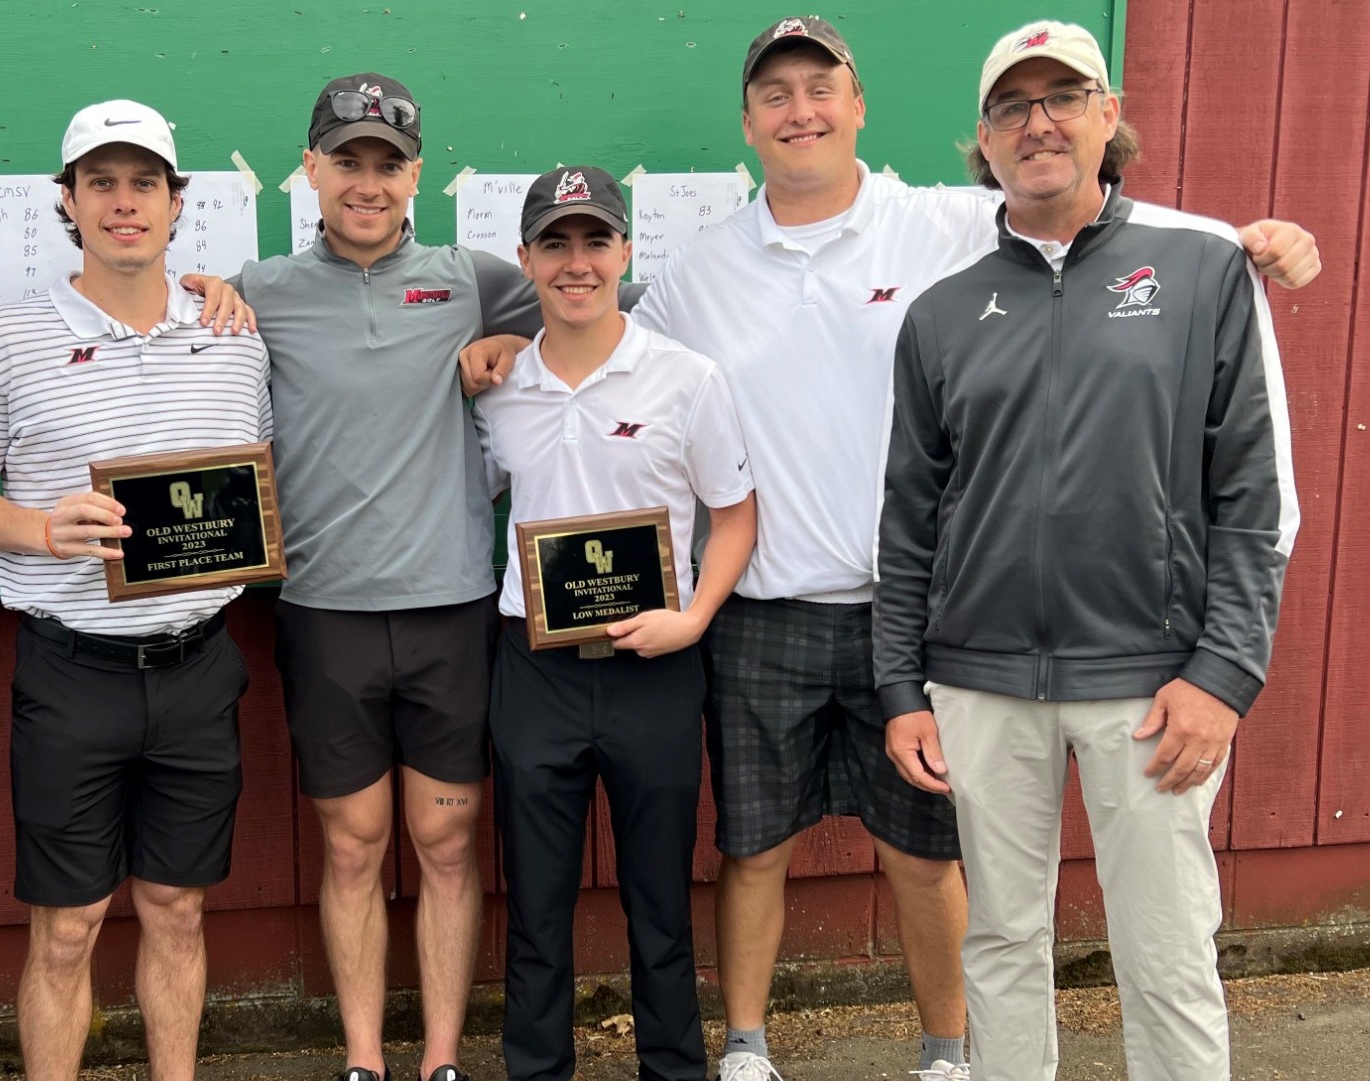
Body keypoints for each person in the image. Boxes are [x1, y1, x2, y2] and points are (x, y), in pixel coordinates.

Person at [460, 16, 1318, 1081]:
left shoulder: (942, 223)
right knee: (754, 848)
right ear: (748, 123)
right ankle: (745, 1045)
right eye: (776, 96)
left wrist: (1248, 238)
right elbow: (596, 317)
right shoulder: (701, 271)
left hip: (918, 614)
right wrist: (504, 341)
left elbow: (1086, 219)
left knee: (926, 853)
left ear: (859, 105)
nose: (801, 110)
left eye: (822, 88)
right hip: (764, 606)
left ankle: (948, 1053)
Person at [874, 21, 1296, 1081]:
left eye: (1065, 96)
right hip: (980, 684)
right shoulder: (940, 314)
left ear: (1110, 118)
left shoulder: (1204, 275)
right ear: (985, 141)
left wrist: (1224, 674)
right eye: (1014, 107)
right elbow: (910, 515)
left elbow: (1253, 495)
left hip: (1152, 687)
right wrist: (901, 687)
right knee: (1004, 944)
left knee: (1165, 954)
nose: (1040, 122)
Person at [230, 73, 558, 1081]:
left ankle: (444, 1059)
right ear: (311, 168)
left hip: (452, 609)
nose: (366, 183)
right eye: (346, 161)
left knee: (445, 844)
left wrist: (520, 333)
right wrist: (200, 292)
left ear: (416, 174)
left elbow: (596, 302)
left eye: (387, 164)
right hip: (324, 610)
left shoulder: (471, 277)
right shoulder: (261, 289)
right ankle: (365, 1061)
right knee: (353, 843)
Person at [0, 99, 269, 1081]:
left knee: (177, 907)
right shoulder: (5, 341)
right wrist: (41, 526)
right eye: (101, 184)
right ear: (69, 204)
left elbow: (258, 486)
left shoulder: (235, 335)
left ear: (178, 205)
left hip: (199, 664)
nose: (125, 203)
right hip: (70, 669)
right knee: (70, 922)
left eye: (144, 184)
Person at [475, 166, 757, 1081]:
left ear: (626, 251)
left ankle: (673, 1069)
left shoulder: (686, 378)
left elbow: (736, 513)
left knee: (658, 904)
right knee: (538, 905)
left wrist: (697, 616)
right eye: (554, 244)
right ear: (526, 260)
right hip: (536, 666)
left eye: (595, 240)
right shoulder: (501, 385)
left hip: (656, 668)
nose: (577, 262)